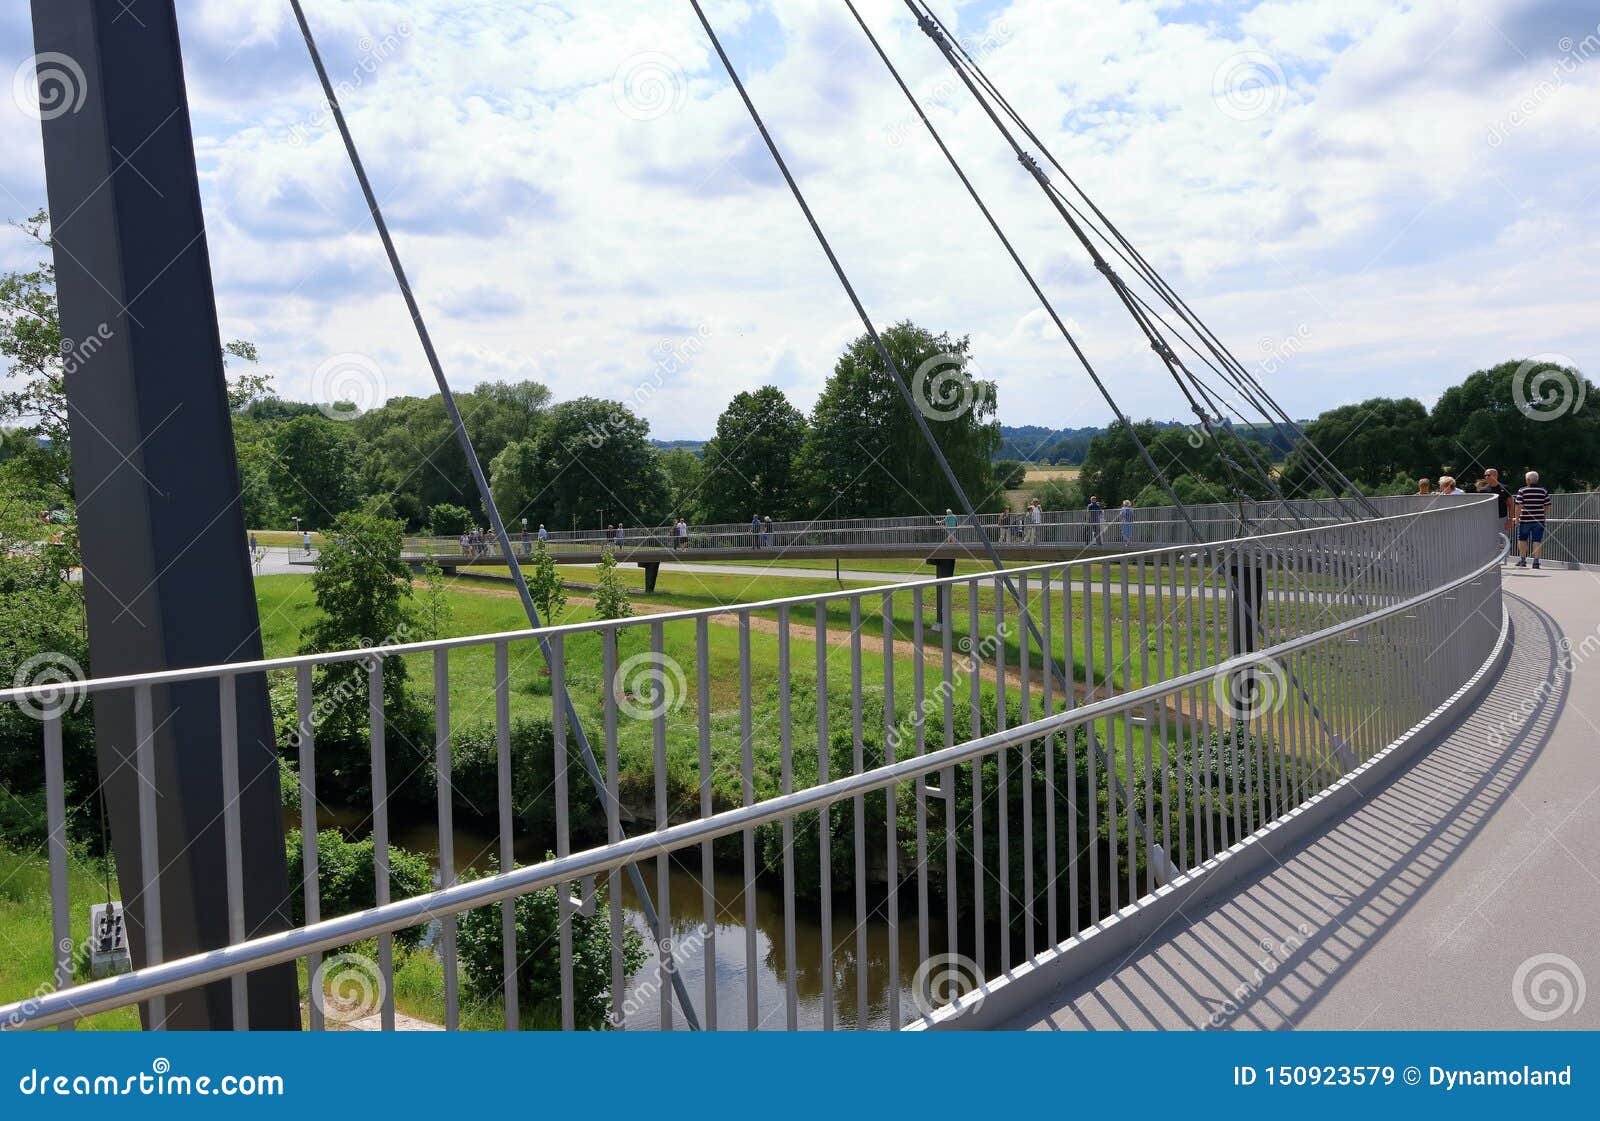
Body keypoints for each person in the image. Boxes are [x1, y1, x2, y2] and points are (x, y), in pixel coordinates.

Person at [1514, 470, 1550, 569]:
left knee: (1522, 539)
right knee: (1537, 540)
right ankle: (1536, 562)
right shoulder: (1543, 490)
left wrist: (1517, 519)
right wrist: (1544, 516)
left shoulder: (1522, 490)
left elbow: (1518, 506)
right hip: (1539, 520)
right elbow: (1547, 505)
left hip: (1525, 520)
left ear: (1529, 480)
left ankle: (1522, 560)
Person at [1477, 468, 1514, 540]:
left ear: (1495, 476)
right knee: (1489, 540)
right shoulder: (1483, 490)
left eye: (1488, 475)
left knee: (1503, 541)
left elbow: (1511, 505)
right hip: (1488, 520)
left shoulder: (1505, 488)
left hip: (1502, 519)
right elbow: (1481, 507)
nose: (1486, 477)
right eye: (1485, 475)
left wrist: (1510, 519)